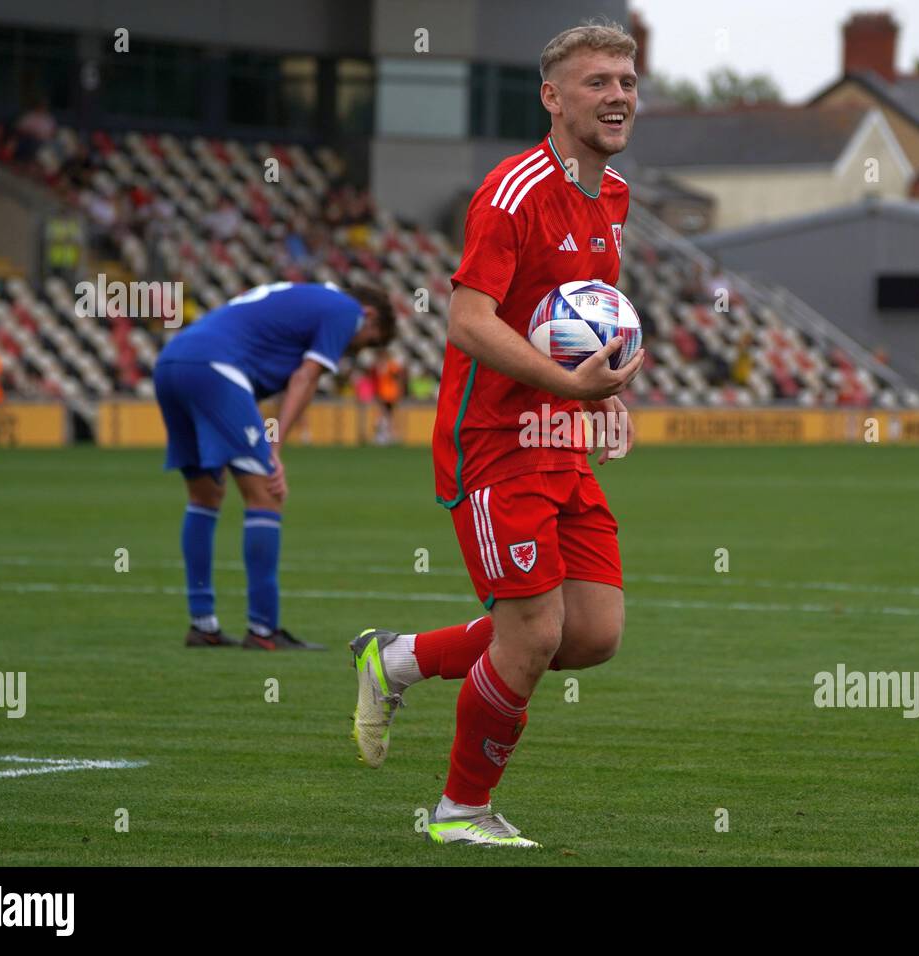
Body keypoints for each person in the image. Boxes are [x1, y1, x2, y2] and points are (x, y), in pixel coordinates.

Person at [348, 19, 645, 848]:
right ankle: (459, 812)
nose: (618, 95)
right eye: (598, 82)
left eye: (626, 81)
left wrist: (597, 396)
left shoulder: (614, 196)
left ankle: (397, 659)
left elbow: (572, 325)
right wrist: (565, 385)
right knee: (534, 632)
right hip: (493, 441)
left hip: (561, 436)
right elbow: (467, 320)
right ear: (553, 98)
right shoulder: (511, 192)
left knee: (592, 634)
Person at [154, 281, 393, 649]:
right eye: (370, 340)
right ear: (371, 315)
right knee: (267, 494)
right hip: (215, 365)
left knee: (205, 495)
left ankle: (203, 624)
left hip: (172, 362)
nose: (358, 349)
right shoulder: (347, 311)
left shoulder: (304, 297)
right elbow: (306, 377)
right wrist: (274, 448)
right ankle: (264, 630)